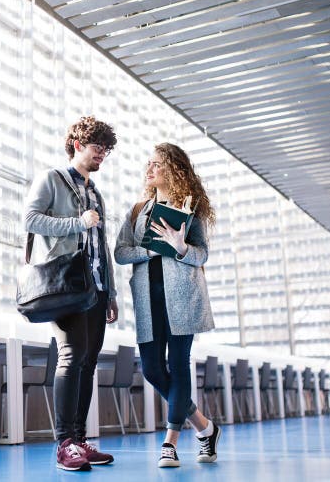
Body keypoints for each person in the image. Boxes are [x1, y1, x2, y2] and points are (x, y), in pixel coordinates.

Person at [114, 142, 220, 468]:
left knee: (178, 364)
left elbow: (202, 253)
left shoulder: (192, 209)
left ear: (172, 168)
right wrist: (149, 252)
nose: (149, 169)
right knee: (152, 369)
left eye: (156, 164)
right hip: (148, 302)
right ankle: (204, 426)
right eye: (148, 164)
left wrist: (182, 247)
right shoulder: (137, 211)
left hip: (184, 299)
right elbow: (120, 252)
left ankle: (170, 443)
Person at [23, 116, 119, 471]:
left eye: (106, 151)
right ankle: (65, 443)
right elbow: (31, 220)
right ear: (78, 145)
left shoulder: (97, 194)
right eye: (97, 149)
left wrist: (110, 291)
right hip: (64, 285)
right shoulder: (52, 179)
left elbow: (102, 243)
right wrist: (77, 222)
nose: (102, 156)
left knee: (88, 363)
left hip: (94, 287)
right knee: (71, 355)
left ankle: (79, 440)